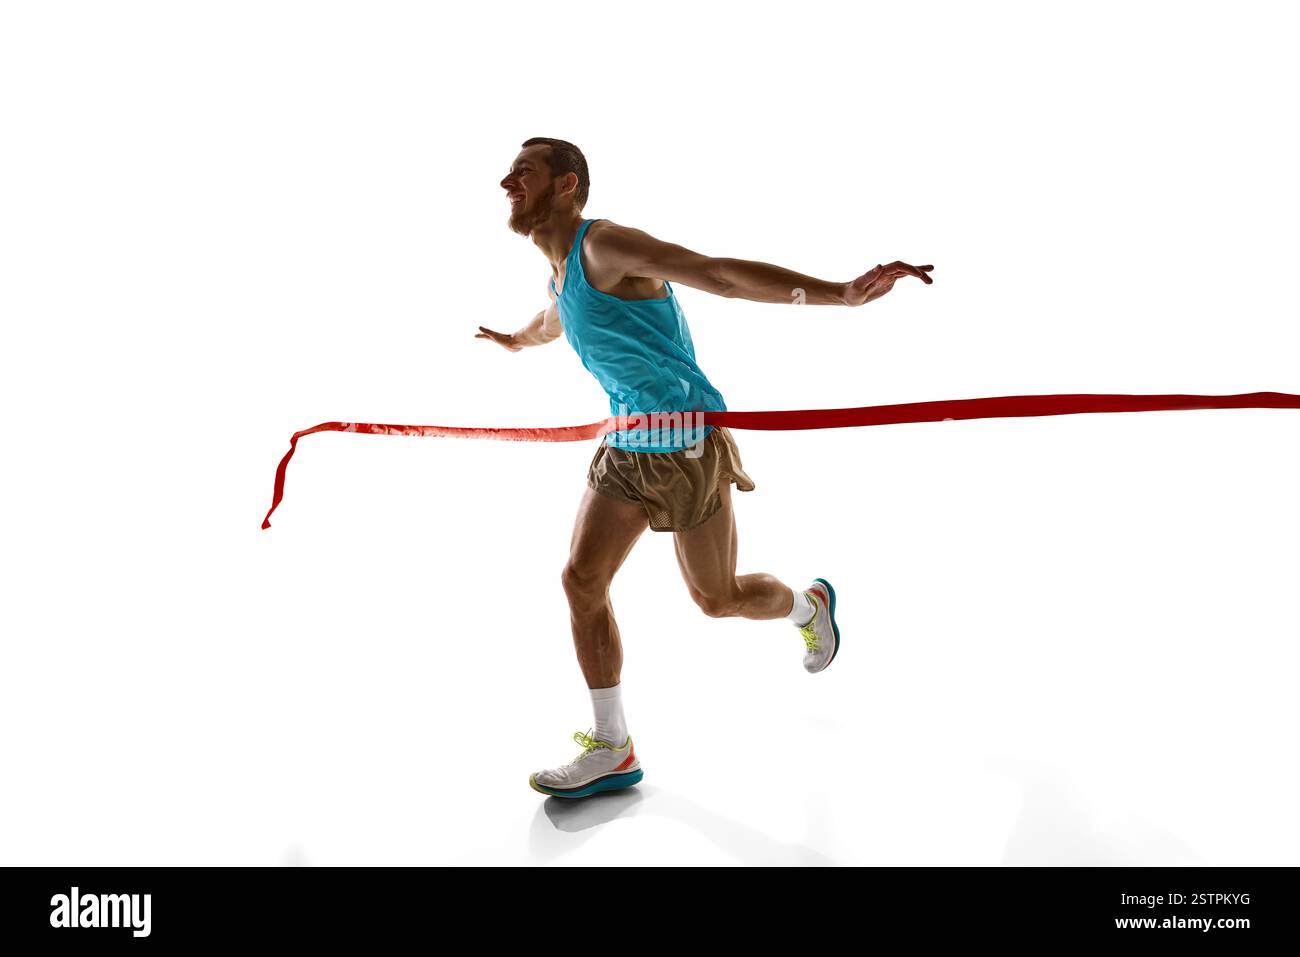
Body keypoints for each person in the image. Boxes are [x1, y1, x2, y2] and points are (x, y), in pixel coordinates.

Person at [478, 137, 933, 798]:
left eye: (524, 172)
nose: (506, 182)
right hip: (628, 444)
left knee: (715, 598)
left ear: (567, 184)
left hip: (688, 448)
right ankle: (613, 746)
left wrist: (839, 294)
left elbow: (717, 274)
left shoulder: (605, 245)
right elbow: (556, 317)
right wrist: (517, 340)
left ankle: (809, 605)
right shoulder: (560, 271)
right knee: (581, 579)